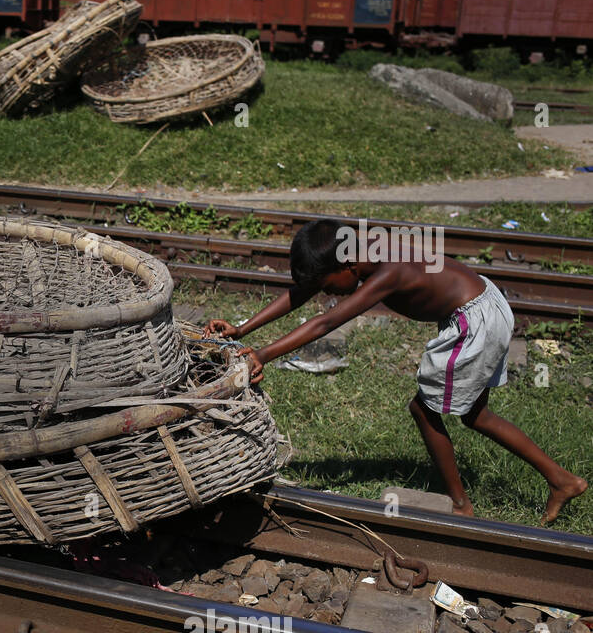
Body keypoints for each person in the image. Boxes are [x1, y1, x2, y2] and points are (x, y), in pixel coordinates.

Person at [204, 219, 586, 524]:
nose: (326, 292)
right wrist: (243, 329)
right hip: (486, 302)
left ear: (348, 267)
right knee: (474, 414)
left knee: (424, 410)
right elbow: (304, 291)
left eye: (327, 285)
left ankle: (461, 507)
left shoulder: (389, 271)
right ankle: (561, 480)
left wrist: (264, 355)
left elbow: (325, 322)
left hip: (472, 322)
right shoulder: (359, 250)